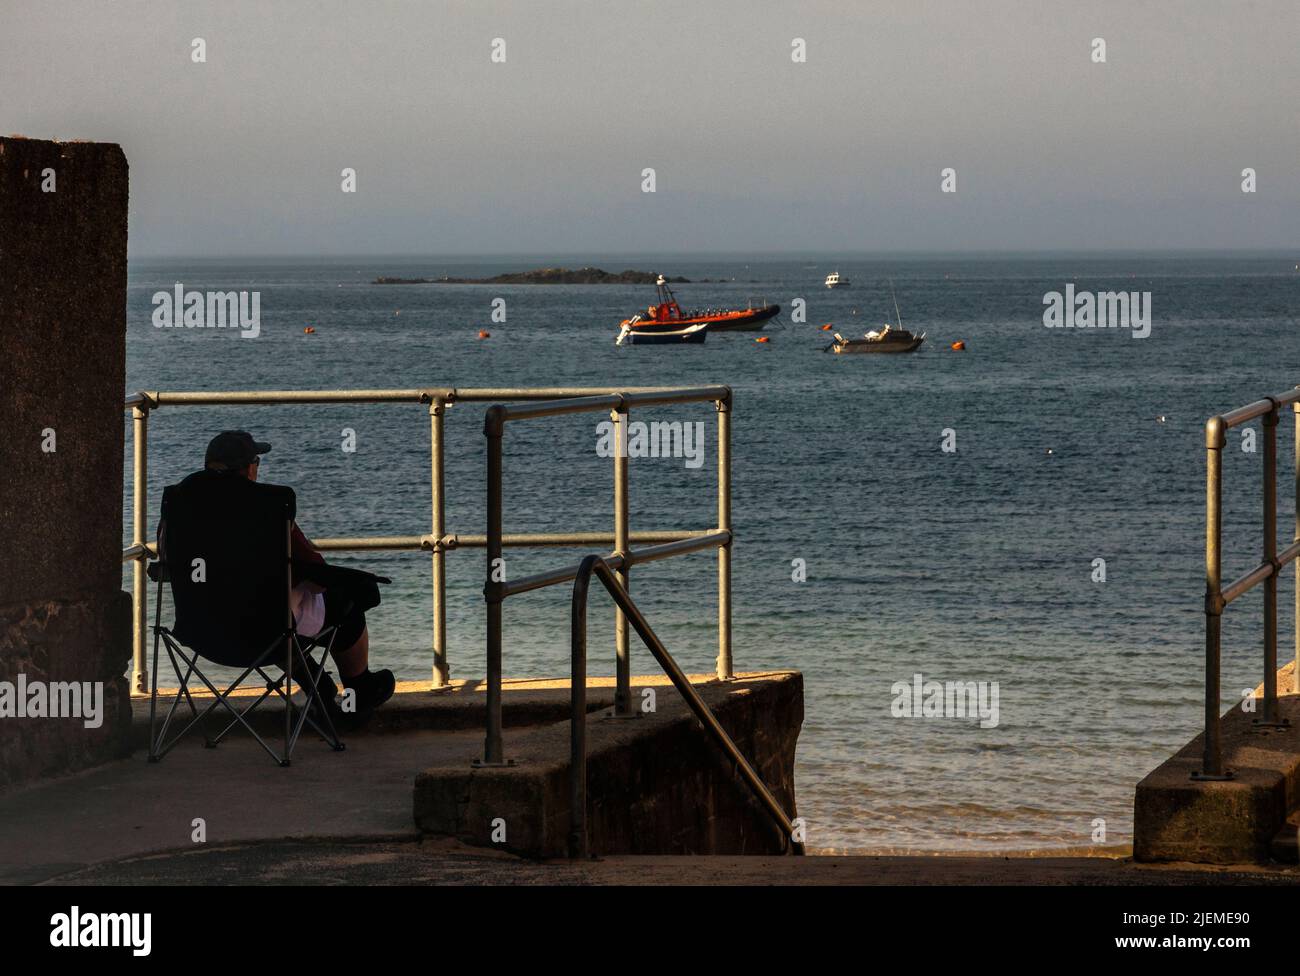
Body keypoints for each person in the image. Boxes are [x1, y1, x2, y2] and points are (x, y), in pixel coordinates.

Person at [167, 430, 395, 713]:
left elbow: (169, 563)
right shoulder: (270, 505)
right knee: (341, 605)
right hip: (263, 635)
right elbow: (316, 570)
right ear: (249, 468)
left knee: (262, 608)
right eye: (257, 462)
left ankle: (314, 682)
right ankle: (359, 691)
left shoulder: (178, 501)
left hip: (200, 632)